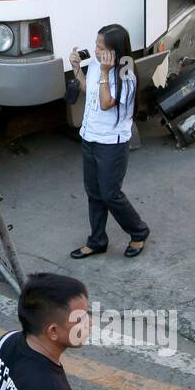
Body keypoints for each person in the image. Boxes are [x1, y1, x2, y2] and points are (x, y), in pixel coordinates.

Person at [68, 23, 150, 260]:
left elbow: (106, 103)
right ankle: (97, 241)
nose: (95, 51)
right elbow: (89, 92)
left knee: (110, 194)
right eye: (95, 45)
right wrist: (77, 70)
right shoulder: (95, 64)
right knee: (93, 192)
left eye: (100, 47)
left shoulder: (127, 76)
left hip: (111, 143)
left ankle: (139, 231)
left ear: (115, 51)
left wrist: (105, 72)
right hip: (89, 136)